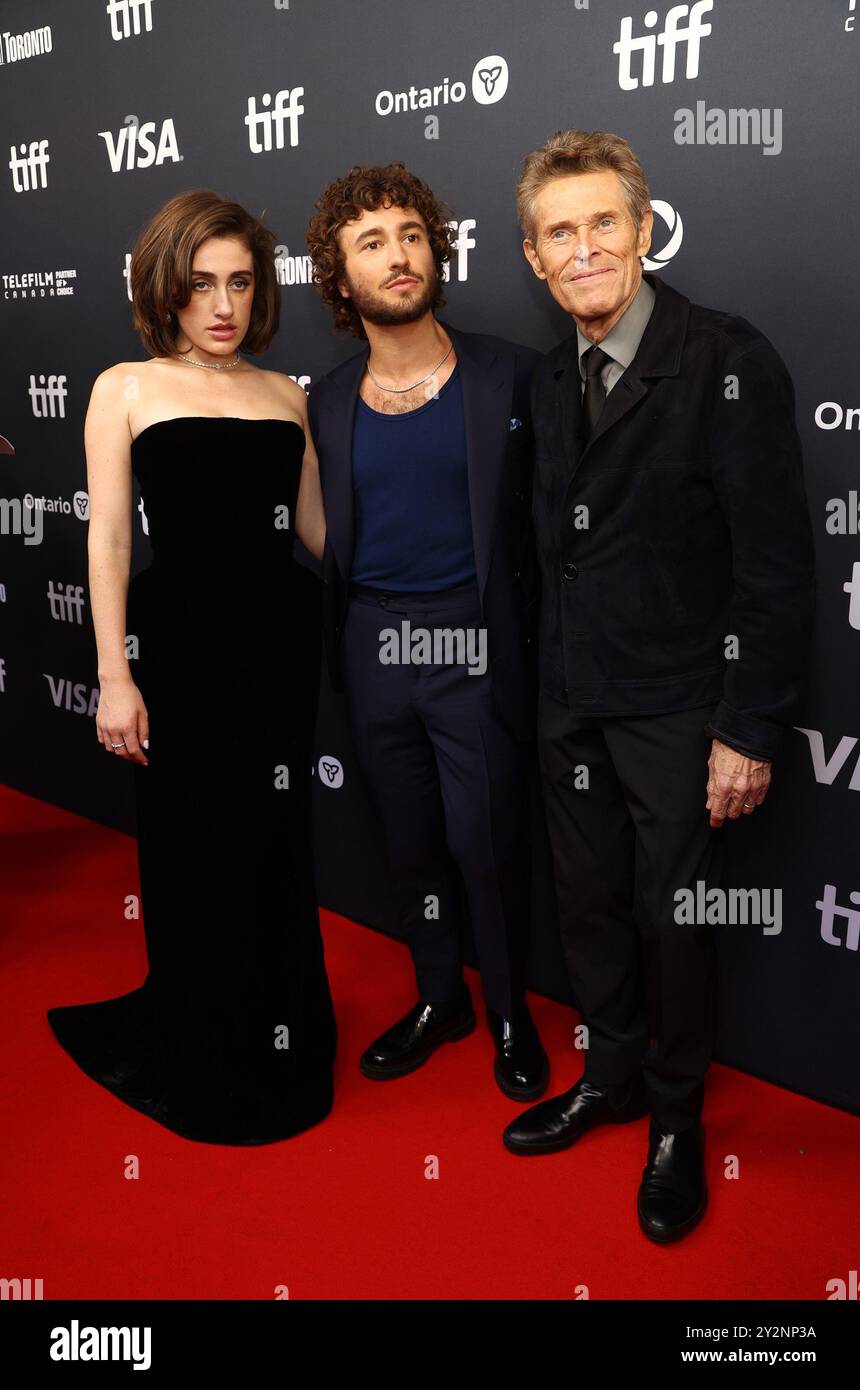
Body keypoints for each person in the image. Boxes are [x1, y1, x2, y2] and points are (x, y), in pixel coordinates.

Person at [503, 130, 815, 1241]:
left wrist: (747, 727)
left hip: (682, 704)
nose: (581, 248)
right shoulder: (546, 381)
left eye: (600, 224)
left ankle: (675, 1120)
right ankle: (613, 1076)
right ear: (532, 258)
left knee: (671, 919)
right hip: (569, 700)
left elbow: (774, 566)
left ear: (642, 230)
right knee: (586, 907)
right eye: (556, 233)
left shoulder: (726, 357)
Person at [46, 189, 337, 1145]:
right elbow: (108, 546)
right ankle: (205, 1044)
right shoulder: (124, 388)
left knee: (274, 846)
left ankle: (281, 1039)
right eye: (202, 283)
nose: (224, 305)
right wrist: (114, 675)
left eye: (242, 283)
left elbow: (318, 535)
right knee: (190, 852)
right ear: (166, 291)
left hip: (279, 650)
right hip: (176, 654)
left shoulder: (285, 395)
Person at [304, 162, 549, 1100]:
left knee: (485, 842)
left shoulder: (509, 375)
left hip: (473, 646)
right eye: (372, 242)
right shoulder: (325, 400)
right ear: (339, 277)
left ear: (434, 248)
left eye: (410, 235)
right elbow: (323, 523)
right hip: (371, 645)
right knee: (406, 839)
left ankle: (511, 1015)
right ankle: (439, 997)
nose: (398, 256)